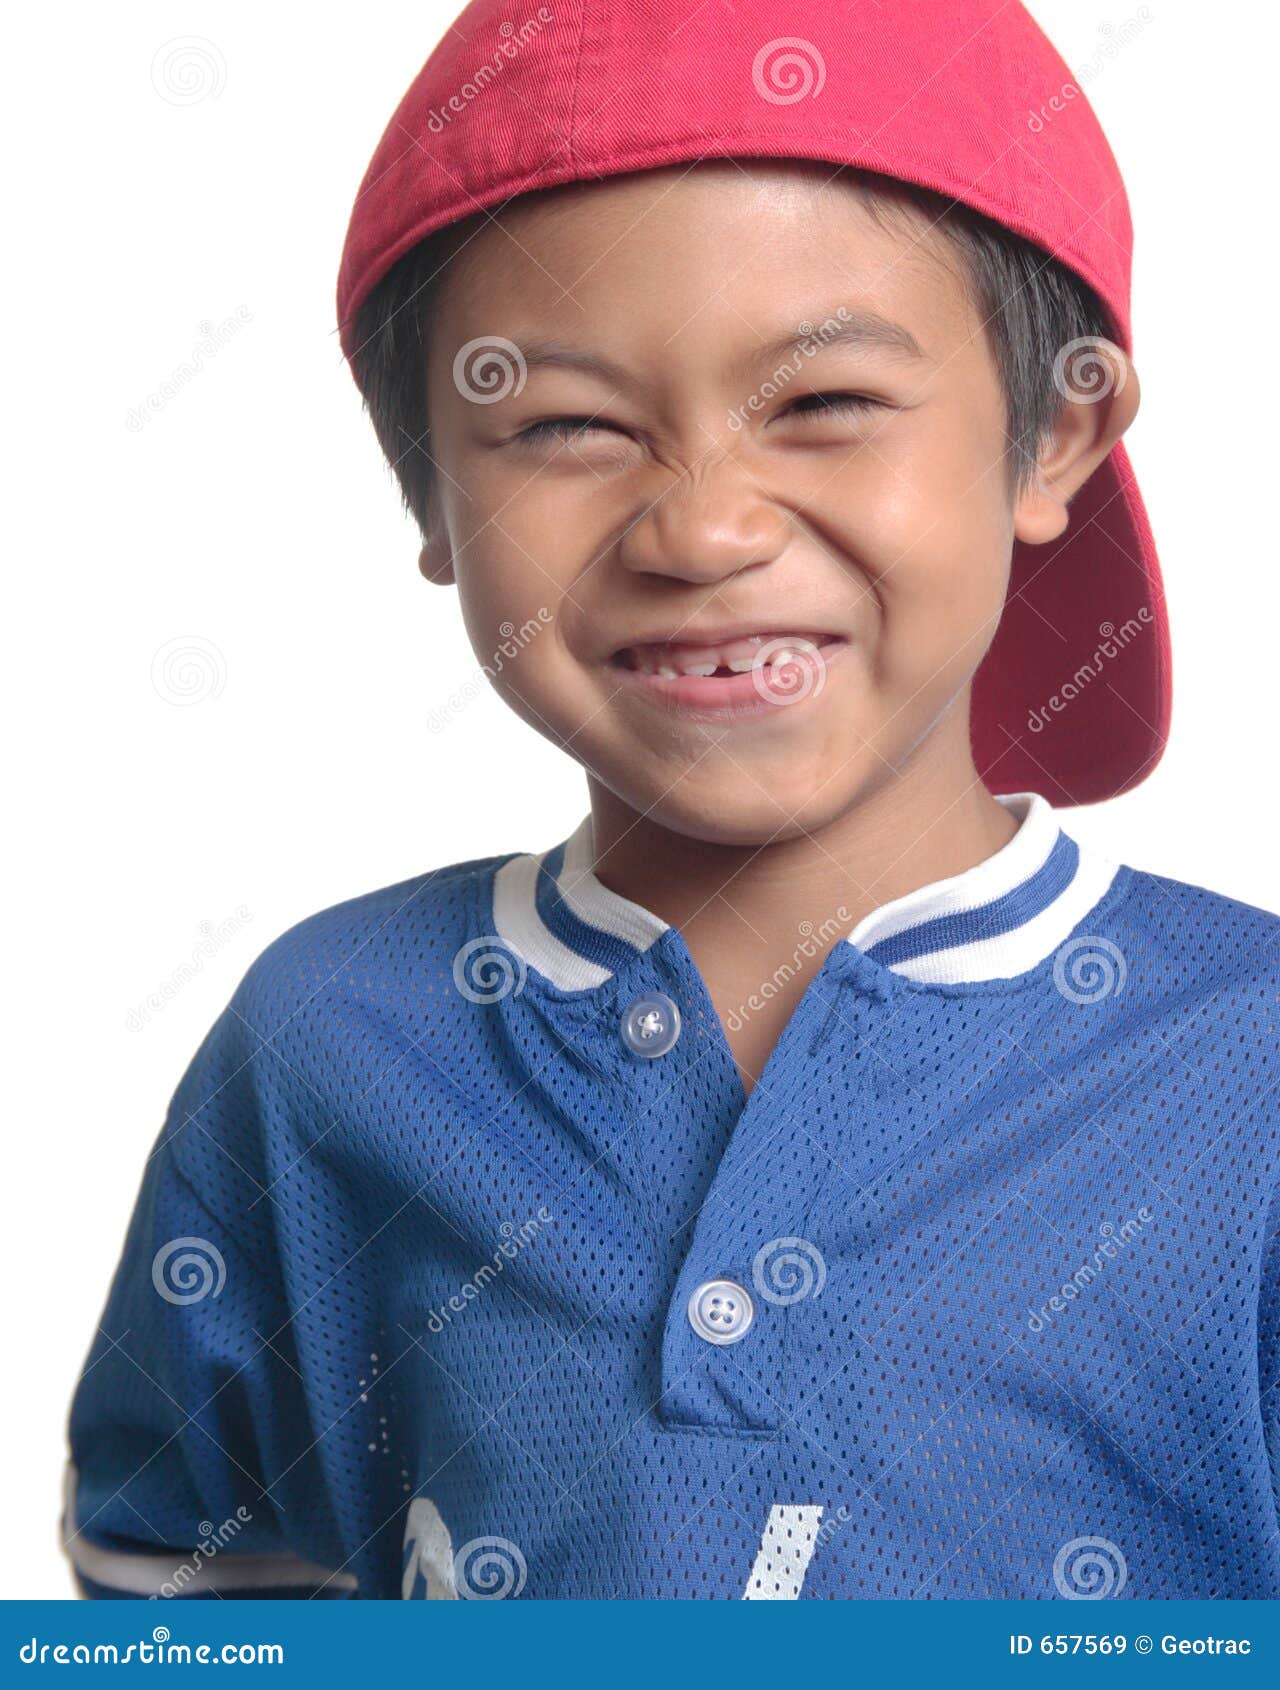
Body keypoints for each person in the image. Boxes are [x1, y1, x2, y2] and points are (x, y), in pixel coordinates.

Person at [64, 0, 1280, 1600]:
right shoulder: (327, 1039)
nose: (701, 531)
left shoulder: (1245, 1062)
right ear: (426, 481)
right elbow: (190, 1567)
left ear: (1056, 430)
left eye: (826, 403)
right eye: (562, 424)